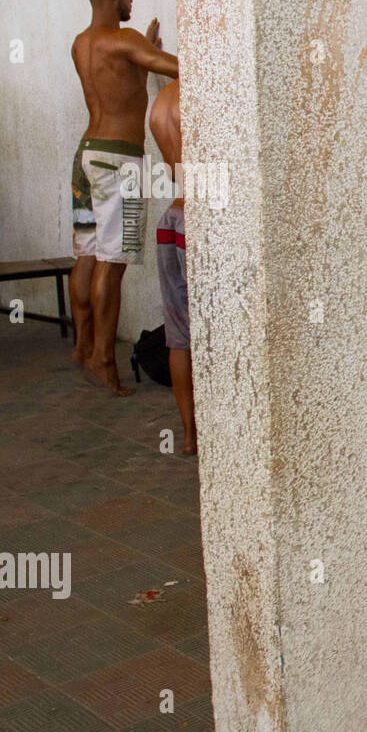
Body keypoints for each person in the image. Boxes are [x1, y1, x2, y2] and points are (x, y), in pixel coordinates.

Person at [70, 0, 178, 395]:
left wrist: (139, 53)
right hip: (120, 162)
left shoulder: (82, 44)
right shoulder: (124, 40)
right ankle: (103, 358)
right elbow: (173, 68)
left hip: (87, 155)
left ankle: (81, 346)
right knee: (112, 265)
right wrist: (153, 53)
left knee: (87, 254)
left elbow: (117, 79)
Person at [149, 80, 195, 454]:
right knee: (212, 332)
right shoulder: (201, 92)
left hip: (171, 217)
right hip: (200, 219)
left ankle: (189, 435)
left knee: (179, 337)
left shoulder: (163, 99)